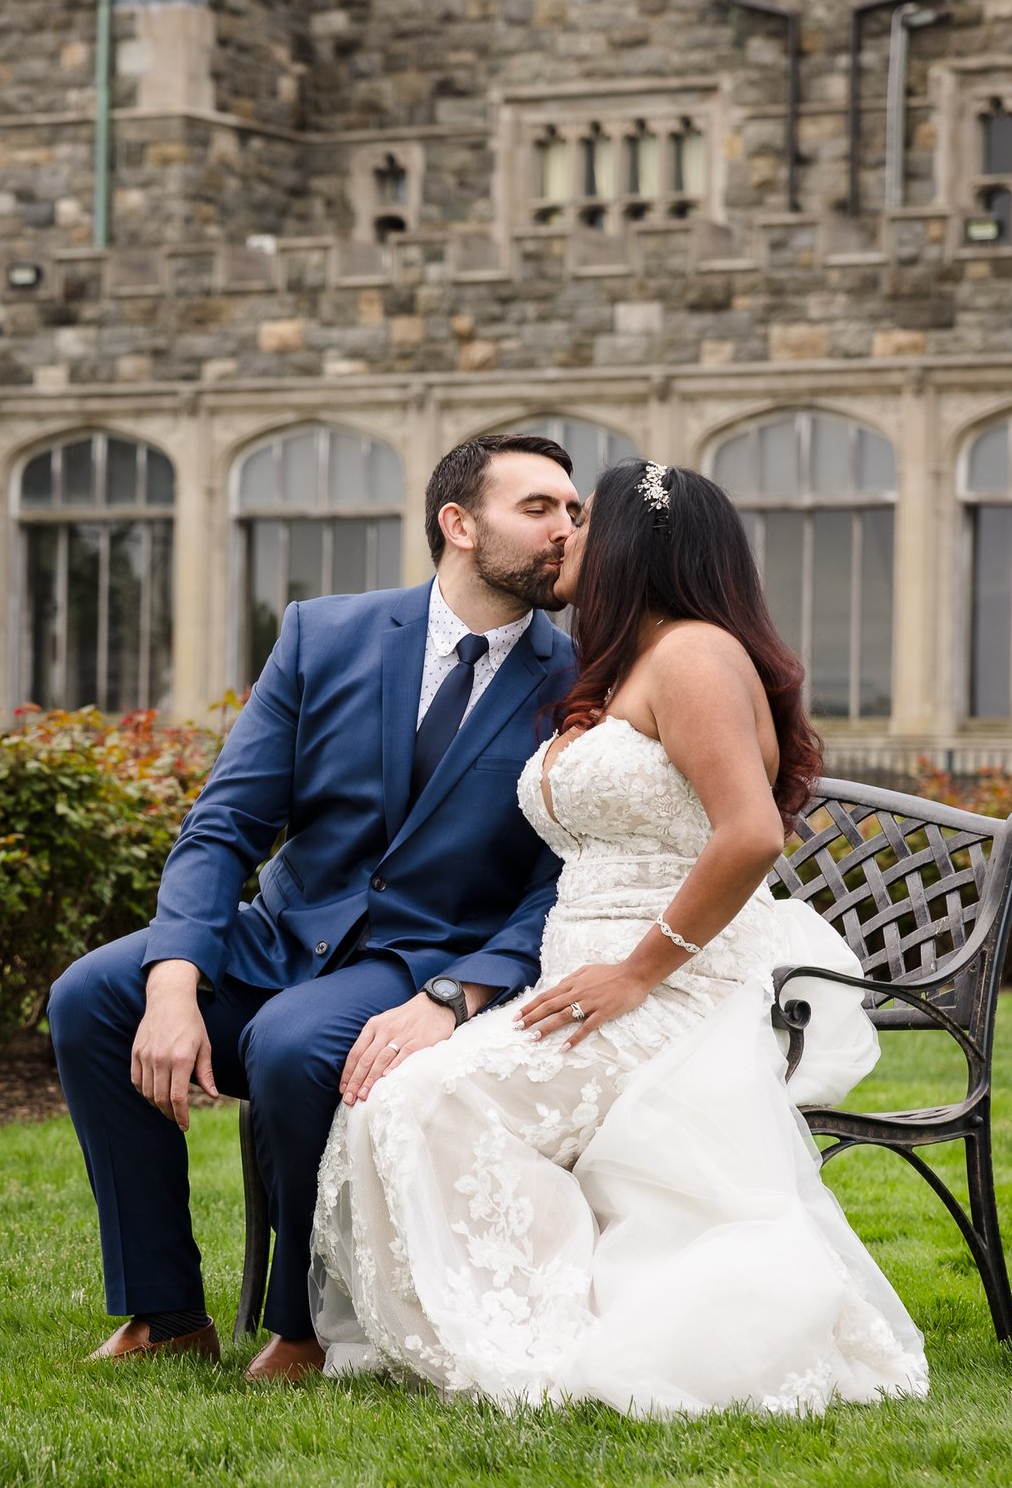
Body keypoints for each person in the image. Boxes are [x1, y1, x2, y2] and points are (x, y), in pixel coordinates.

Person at [310, 458, 928, 1417]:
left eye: (583, 519)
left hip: (677, 991)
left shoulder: (693, 657)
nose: (564, 534)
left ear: (639, 544)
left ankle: (545, 1344)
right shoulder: (633, 665)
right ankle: (549, 1310)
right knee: (399, 1096)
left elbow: (752, 833)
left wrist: (636, 974)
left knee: (424, 1104)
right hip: (587, 984)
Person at [49, 434, 584, 1382]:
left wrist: (456, 992)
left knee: (295, 1043)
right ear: (458, 525)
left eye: (573, 513)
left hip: (424, 959)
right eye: (539, 507)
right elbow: (224, 824)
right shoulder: (322, 633)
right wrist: (174, 985)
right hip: (284, 933)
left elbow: (561, 884)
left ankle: (304, 1327)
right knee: (96, 997)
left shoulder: (582, 681)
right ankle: (166, 1310)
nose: (565, 530)